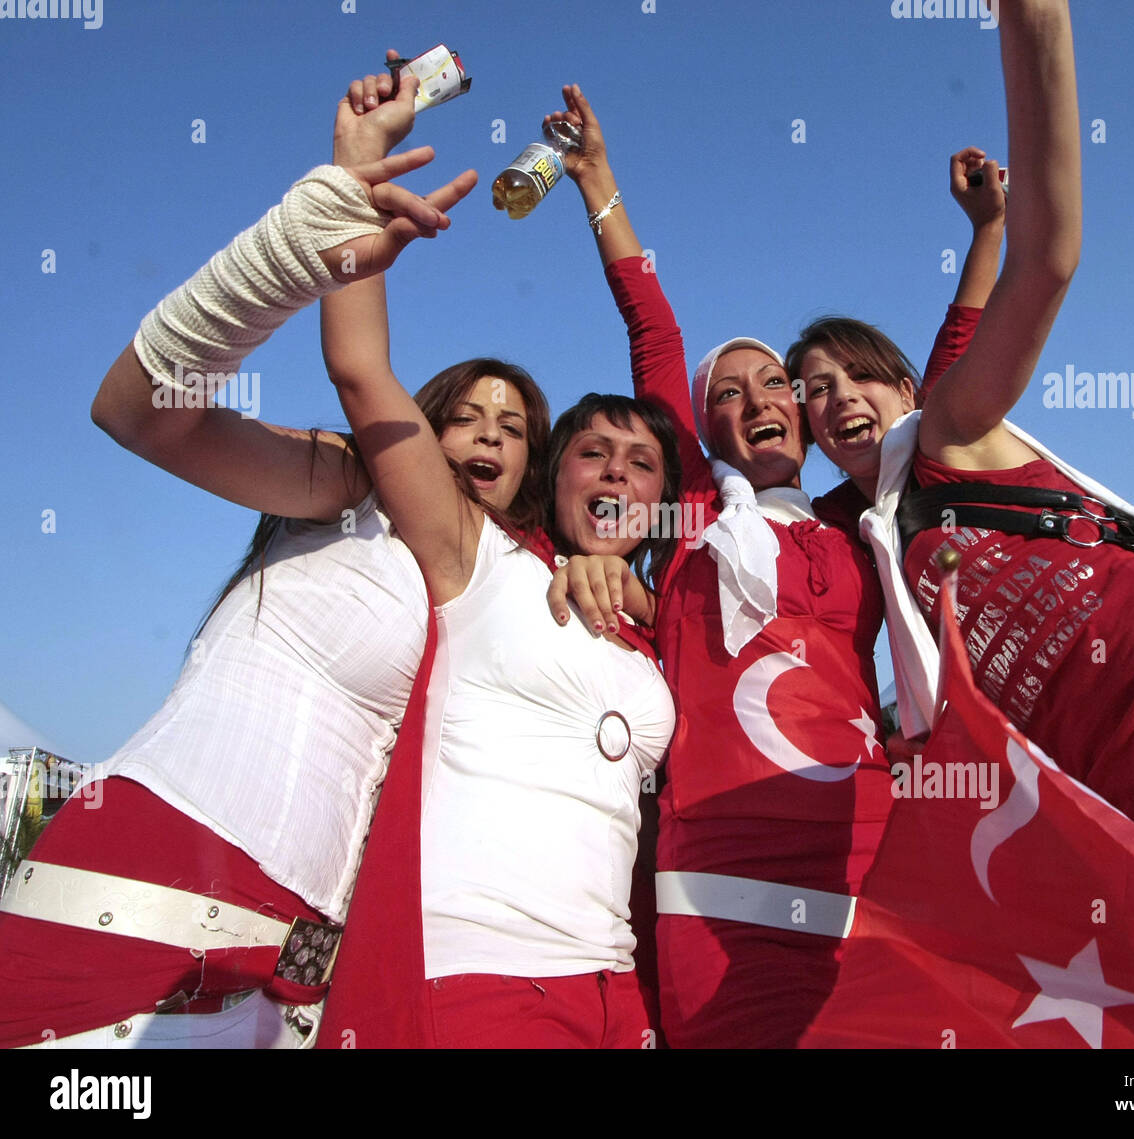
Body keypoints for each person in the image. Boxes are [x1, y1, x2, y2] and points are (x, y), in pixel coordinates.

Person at [0, 76, 532, 1049]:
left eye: (516, 428)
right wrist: (314, 232)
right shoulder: (348, 489)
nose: (490, 435)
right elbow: (141, 413)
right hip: (137, 901)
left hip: (305, 987)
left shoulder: (513, 593)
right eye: (466, 414)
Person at [794, 0, 1134, 961]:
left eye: (857, 374)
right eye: (815, 390)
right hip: (1116, 814)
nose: (839, 398)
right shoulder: (866, 533)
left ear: (907, 386)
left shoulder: (945, 426)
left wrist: (1033, 21)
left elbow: (1047, 258)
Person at [539, 85, 990, 1047]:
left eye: (774, 382)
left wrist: (985, 236)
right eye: (728, 394)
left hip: (864, 841)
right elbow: (655, 336)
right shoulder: (693, 508)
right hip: (715, 857)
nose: (757, 400)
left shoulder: (860, 520)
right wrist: (597, 182)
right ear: (704, 431)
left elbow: (940, 392)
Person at [310, 70, 681, 1051]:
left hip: (620, 989)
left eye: (642, 461)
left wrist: (597, 178)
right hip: (479, 978)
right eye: (589, 452)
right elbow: (362, 372)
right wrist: (354, 183)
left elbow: (661, 350)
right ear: (547, 477)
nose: (616, 472)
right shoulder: (476, 561)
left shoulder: (666, 623)